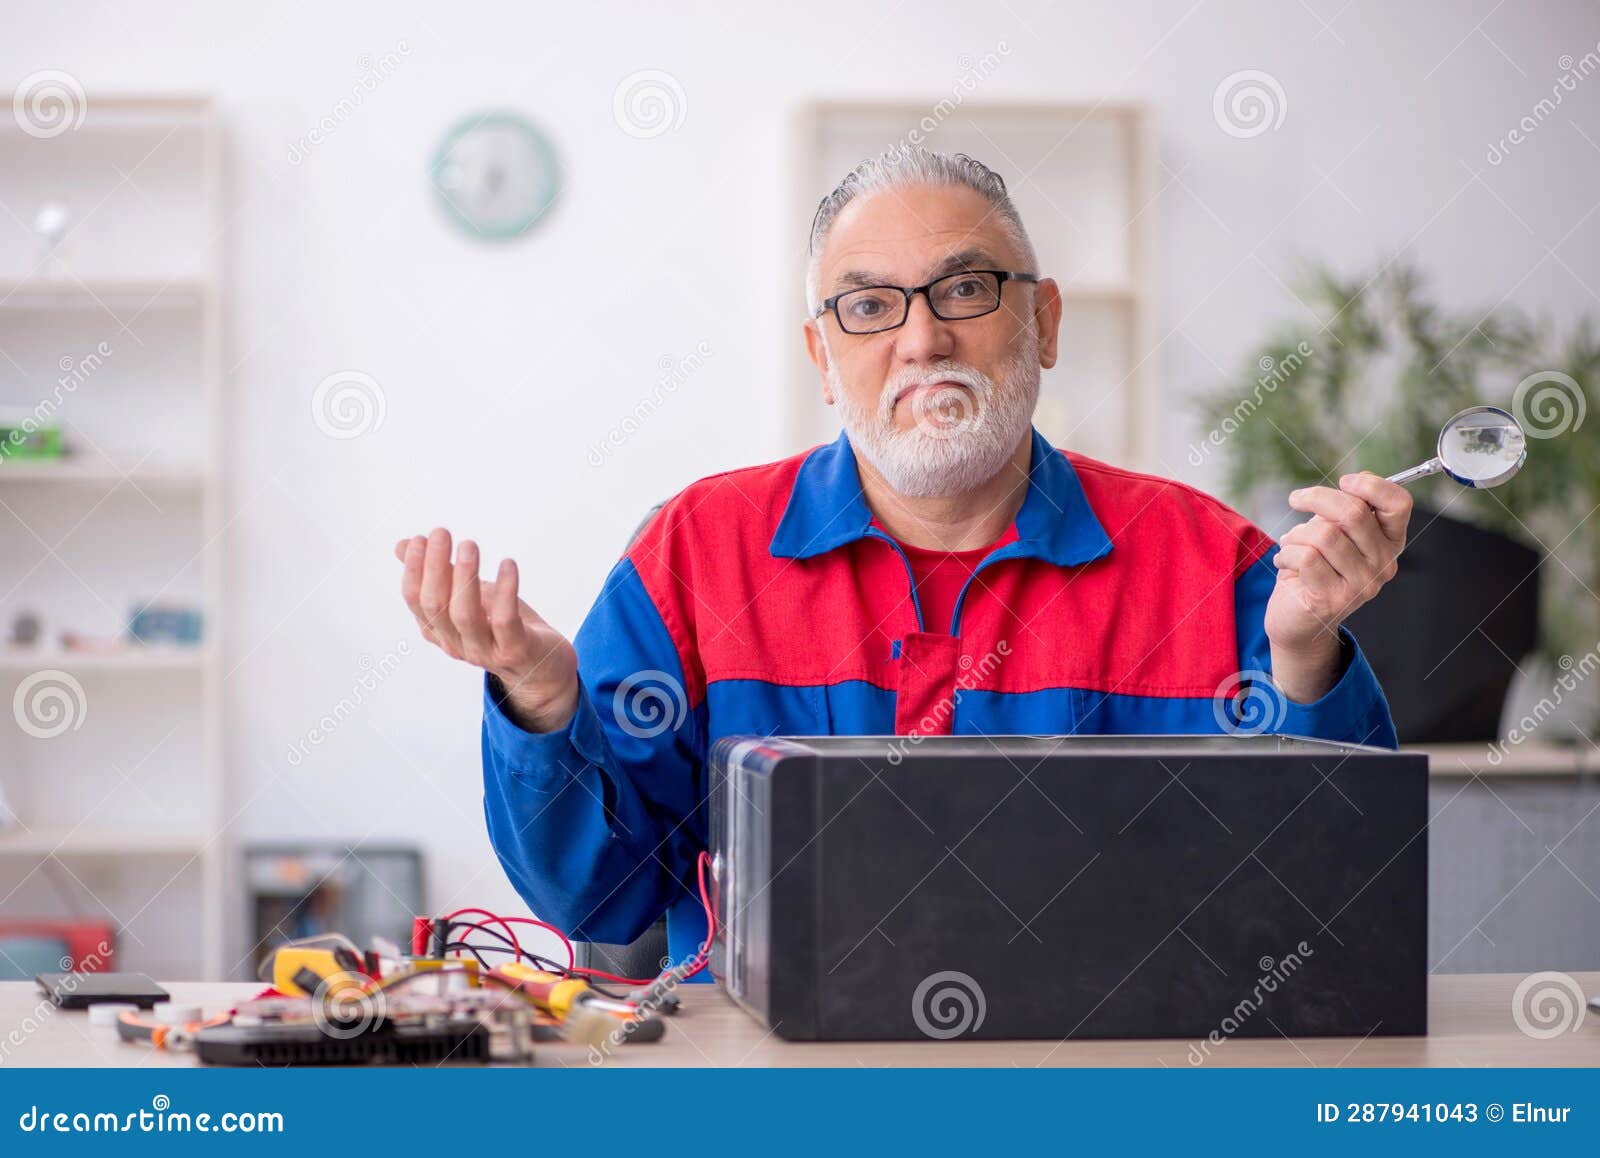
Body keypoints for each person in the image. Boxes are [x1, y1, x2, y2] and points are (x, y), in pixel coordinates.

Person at [395, 147, 1412, 972]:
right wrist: (537, 693)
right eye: (870, 305)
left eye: (963, 288)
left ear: (1043, 322)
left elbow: (1331, 902)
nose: (921, 338)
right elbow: (599, 898)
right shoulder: (697, 553)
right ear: (822, 359)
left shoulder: (1206, 561)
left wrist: (1304, 658)